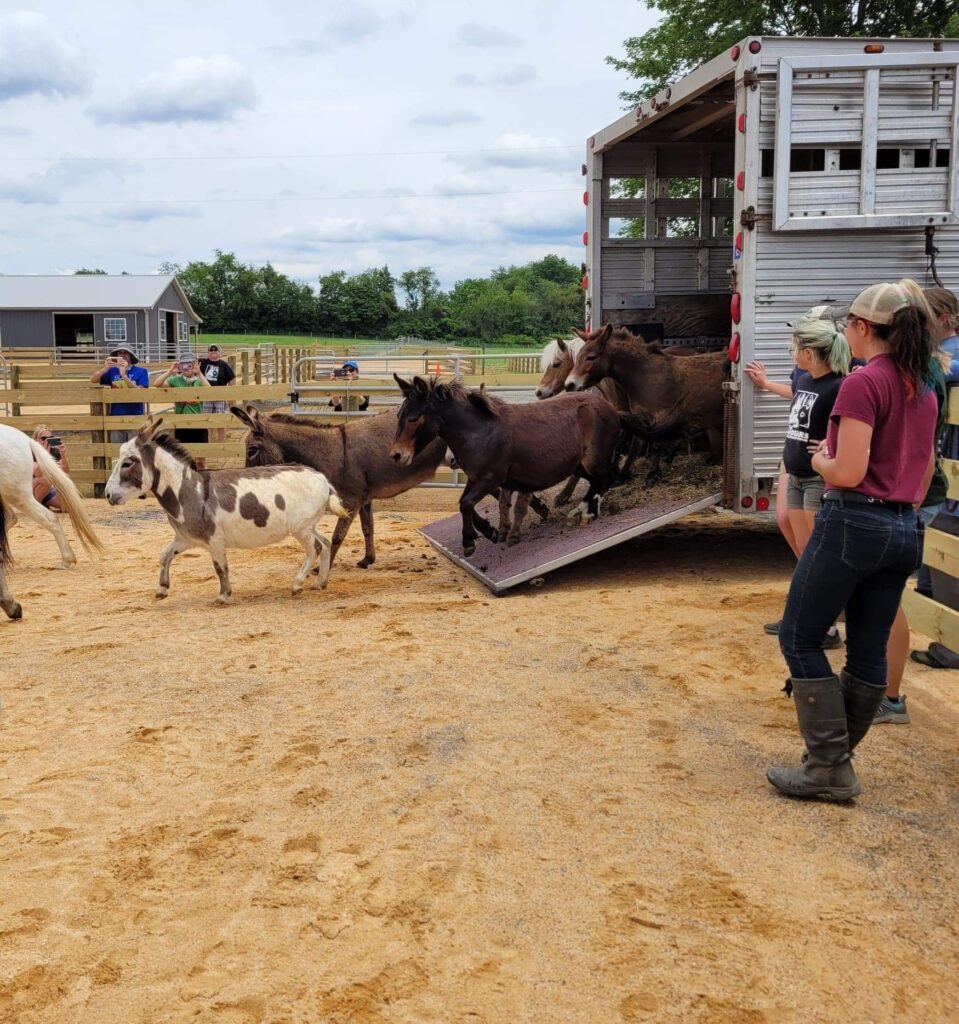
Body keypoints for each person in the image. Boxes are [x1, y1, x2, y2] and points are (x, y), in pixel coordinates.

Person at [767, 279, 938, 801]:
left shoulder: (865, 382)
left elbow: (846, 470)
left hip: (854, 523)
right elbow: (925, 466)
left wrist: (820, 459)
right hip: (904, 528)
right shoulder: (924, 383)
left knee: (798, 636)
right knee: (866, 644)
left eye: (850, 326)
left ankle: (828, 764)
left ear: (863, 328)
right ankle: (836, 762)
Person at [746, 306, 852, 648]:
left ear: (809, 352)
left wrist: (832, 444)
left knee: (815, 551)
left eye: (795, 348)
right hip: (796, 473)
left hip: (816, 478)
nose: (791, 354)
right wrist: (765, 384)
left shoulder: (840, 385)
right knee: (803, 548)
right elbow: (798, 400)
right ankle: (806, 617)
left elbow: (853, 426)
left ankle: (826, 626)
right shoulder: (805, 379)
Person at [878, 286, 959, 721]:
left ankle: (892, 693)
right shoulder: (929, 366)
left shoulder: (931, 367)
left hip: (919, 489)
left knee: (894, 586)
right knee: (910, 578)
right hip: (923, 486)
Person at [155, 352, 211, 466]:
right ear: (180, 366)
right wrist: (170, 371)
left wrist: (199, 373)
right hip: (181, 423)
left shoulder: (199, 380)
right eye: (183, 364)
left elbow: (209, 390)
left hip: (198, 422)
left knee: (201, 457)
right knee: (182, 457)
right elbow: (157, 384)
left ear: (195, 364)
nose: (187, 368)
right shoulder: (175, 380)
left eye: (189, 364)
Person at [89, 344, 150, 443]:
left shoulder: (141, 371)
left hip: (135, 415)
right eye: (120, 353)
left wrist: (124, 375)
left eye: (125, 353)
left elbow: (141, 391)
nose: (122, 355)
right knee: (117, 449)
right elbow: (93, 380)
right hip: (116, 415)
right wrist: (105, 368)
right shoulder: (112, 371)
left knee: (134, 451)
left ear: (131, 356)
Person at [199, 344, 236, 443]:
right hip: (206, 396)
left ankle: (222, 444)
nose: (213, 352)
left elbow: (232, 380)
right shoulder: (202, 363)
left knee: (220, 422)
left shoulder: (224, 365)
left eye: (215, 350)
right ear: (208, 353)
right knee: (207, 422)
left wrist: (230, 397)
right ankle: (209, 444)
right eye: (211, 350)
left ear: (219, 353)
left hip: (220, 396)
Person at [31, 426, 71, 511]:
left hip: (47, 490)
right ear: (35, 440)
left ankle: (42, 502)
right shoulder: (30, 452)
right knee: (45, 479)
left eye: (50, 438)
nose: (46, 441)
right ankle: (35, 508)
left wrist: (63, 455)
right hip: (31, 489)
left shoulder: (54, 452)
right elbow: (38, 473)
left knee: (67, 507)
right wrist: (44, 455)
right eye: (43, 438)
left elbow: (65, 471)